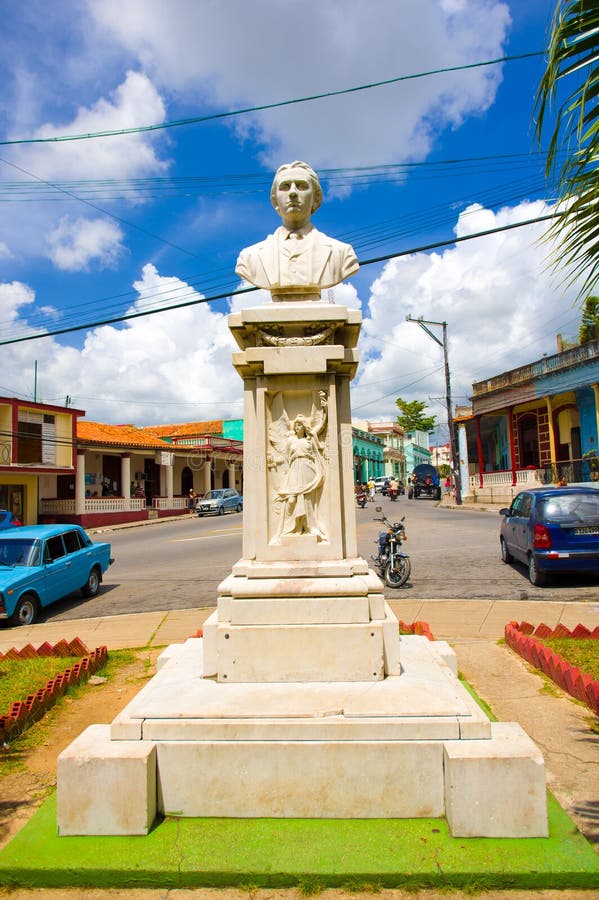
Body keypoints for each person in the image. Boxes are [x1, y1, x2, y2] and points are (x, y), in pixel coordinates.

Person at [235, 161, 359, 301]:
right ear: (275, 200)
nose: (293, 193)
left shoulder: (342, 253)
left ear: (316, 197)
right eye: (285, 187)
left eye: (301, 186)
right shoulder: (250, 257)